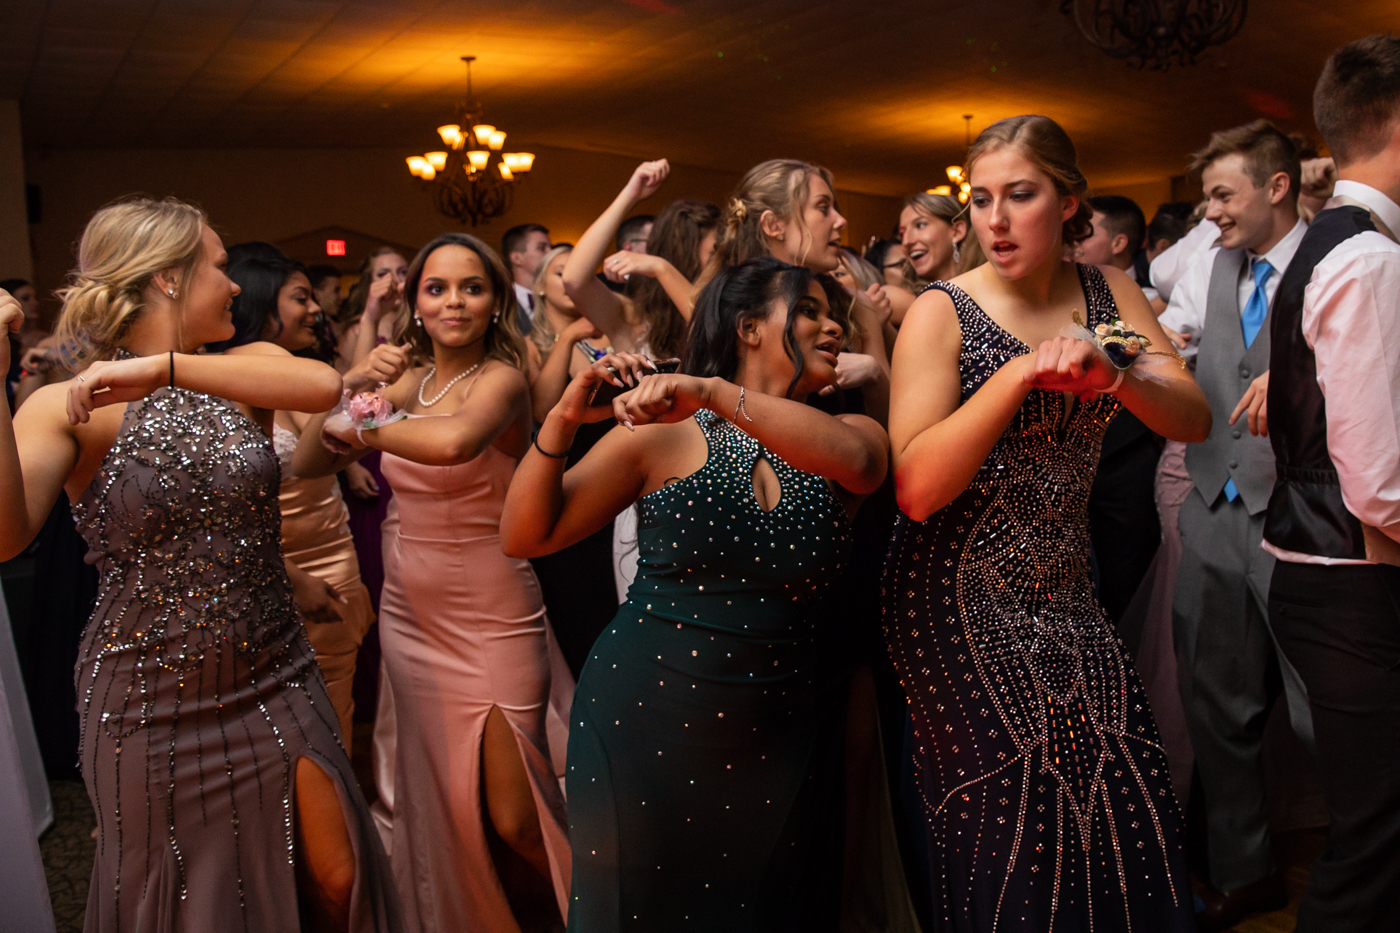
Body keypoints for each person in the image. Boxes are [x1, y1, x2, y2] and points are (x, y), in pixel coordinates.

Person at [0, 196, 398, 931]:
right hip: (151, 694)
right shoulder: (66, 402)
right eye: (218, 266)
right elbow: (5, 534)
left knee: (336, 875)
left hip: (277, 669)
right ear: (172, 278)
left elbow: (321, 388)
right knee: (192, 905)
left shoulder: (241, 370)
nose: (236, 285)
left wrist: (168, 368)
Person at [500, 256, 892, 930]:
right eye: (810, 311)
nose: (833, 328)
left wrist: (712, 391)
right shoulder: (663, 436)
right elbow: (527, 533)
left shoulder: (851, 435)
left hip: (776, 735)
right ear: (747, 327)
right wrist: (565, 417)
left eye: (836, 315)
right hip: (641, 723)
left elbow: (859, 467)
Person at [886, 114, 1210, 931]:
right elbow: (918, 488)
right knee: (1015, 818)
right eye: (982, 199)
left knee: (1122, 783)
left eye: (1019, 195)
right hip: (954, 596)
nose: (994, 219)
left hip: (1065, 586)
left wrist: (1117, 373)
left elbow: (1193, 416)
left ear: (1070, 203)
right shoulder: (943, 310)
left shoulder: (1110, 293)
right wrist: (1022, 373)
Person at [295, 232, 572, 931]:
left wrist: (363, 427)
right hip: (410, 606)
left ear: (494, 302)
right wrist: (354, 384)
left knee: (516, 815)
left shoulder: (501, 377)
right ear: (415, 302)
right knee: (446, 799)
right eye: (438, 287)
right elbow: (304, 460)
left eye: (473, 287)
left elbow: (452, 443)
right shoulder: (397, 379)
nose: (455, 301)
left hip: (493, 602)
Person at [1155, 120, 1316, 930]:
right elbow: (1171, 315)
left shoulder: (1342, 258)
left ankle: (1369, 869)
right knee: (1217, 703)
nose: (1209, 211)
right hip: (1214, 500)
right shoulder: (1209, 263)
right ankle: (1245, 869)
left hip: (1305, 510)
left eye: (1224, 194)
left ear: (1279, 187)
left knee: (1323, 704)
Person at [1262, 34, 1400, 931]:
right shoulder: (1369, 258)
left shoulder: (1334, 243)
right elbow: (1383, 484)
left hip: (1327, 577)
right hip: (1356, 585)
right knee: (1379, 845)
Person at [213, 254, 380, 752]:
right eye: (300, 298)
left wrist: (367, 395)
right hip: (272, 564)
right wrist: (283, 572)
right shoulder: (222, 378)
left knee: (333, 703)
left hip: (333, 549)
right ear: (262, 306)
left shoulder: (307, 372)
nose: (315, 311)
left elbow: (320, 454)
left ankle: (340, 821)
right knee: (282, 725)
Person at [523, 243, 617, 678]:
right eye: (558, 273)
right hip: (565, 472)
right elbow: (543, 410)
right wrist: (568, 337)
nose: (568, 281)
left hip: (617, 470)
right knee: (577, 592)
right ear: (539, 286)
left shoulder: (614, 333)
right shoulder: (531, 343)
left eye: (575, 273)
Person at [1075, 195, 1166, 625]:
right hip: (1072, 463)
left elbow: (1152, 365)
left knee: (1124, 579)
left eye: (1087, 231)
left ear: (1119, 242)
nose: (1075, 241)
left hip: (1125, 458)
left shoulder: (1153, 298)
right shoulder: (1066, 291)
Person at [503, 222, 552, 329]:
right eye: (542, 248)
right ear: (517, 258)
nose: (551, 253)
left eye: (550, 248)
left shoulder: (558, 297)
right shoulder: (502, 301)